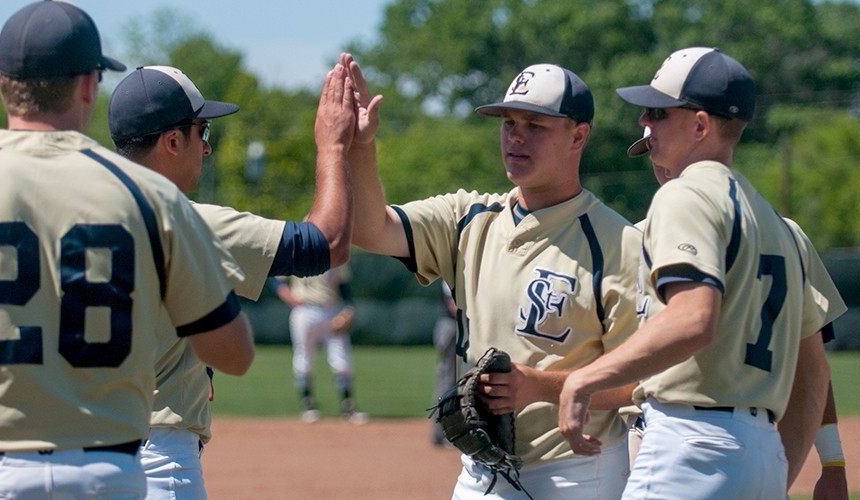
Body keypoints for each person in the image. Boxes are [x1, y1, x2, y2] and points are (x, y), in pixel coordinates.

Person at [0, 1, 255, 498]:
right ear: (90, 85)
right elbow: (235, 355)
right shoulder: (149, 196)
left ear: (1, 82)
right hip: (101, 474)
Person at [344, 52, 641, 498]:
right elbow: (372, 230)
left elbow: (638, 381)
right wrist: (360, 148)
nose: (516, 137)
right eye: (508, 123)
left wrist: (539, 386)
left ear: (579, 136)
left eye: (535, 126)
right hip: (481, 471)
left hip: (577, 471)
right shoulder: (470, 218)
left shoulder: (618, 242)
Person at [557, 47, 832, 498]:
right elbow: (813, 374)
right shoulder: (774, 222)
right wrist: (772, 474)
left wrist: (585, 378)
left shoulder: (685, 194)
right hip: (761, 451)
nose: (644, 124)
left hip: (690, 446)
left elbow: (693, 319)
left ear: (701, 125)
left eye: (658, 113)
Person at [107, 63, 356, 498]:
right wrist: (333, 146)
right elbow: (327, 243)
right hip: (156, 460)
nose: (205, 148)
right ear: (171, 141)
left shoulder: (66, 218)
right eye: (201, 131)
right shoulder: (187, 221)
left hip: (76, 452)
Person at [627, 126, 850, 497]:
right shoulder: (632, 236)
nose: (658, 158)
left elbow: (810, 364)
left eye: (660, 140)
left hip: (684, 436)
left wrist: (833, 461)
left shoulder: (778, 233)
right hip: (666, 436)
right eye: (650, 148)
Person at [270, 262, 368, 424]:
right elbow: (273, 277)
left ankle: (348, 407)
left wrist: (348, 309)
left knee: (342, 360)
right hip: (304, 310)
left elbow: (344, 287)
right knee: (304, 357)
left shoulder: (336, 251)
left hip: (332, 310)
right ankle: (308, 405)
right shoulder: (297, 250)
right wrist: (284, 292)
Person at [431, 280, 458, 446]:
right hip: (451, 327)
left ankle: (445, 433)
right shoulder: (454, 268)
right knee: (448, 381)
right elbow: (453, 305)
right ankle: (443, 433)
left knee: (453, 380)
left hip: (453, 326)